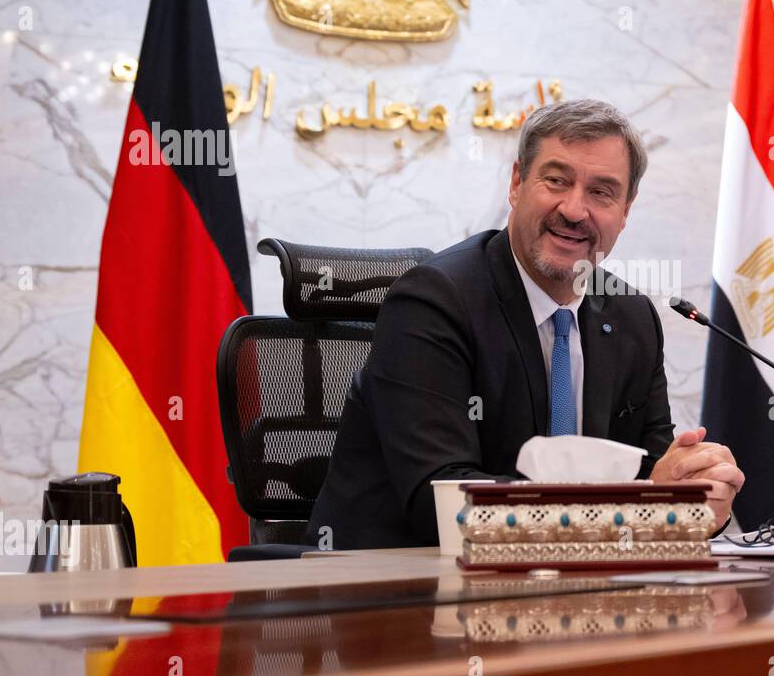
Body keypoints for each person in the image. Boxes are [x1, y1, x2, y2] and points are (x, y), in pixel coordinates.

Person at [305, 99, 745, 549]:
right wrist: (644, 506)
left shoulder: (632, 317)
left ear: (626, 211)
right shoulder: (434, 301)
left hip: (569, 591)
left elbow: (652, 477)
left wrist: (690, 496)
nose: (575, 210)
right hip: (393, 589)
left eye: (601, 192)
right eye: (556, 181)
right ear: (517, 183)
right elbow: (443, 504)